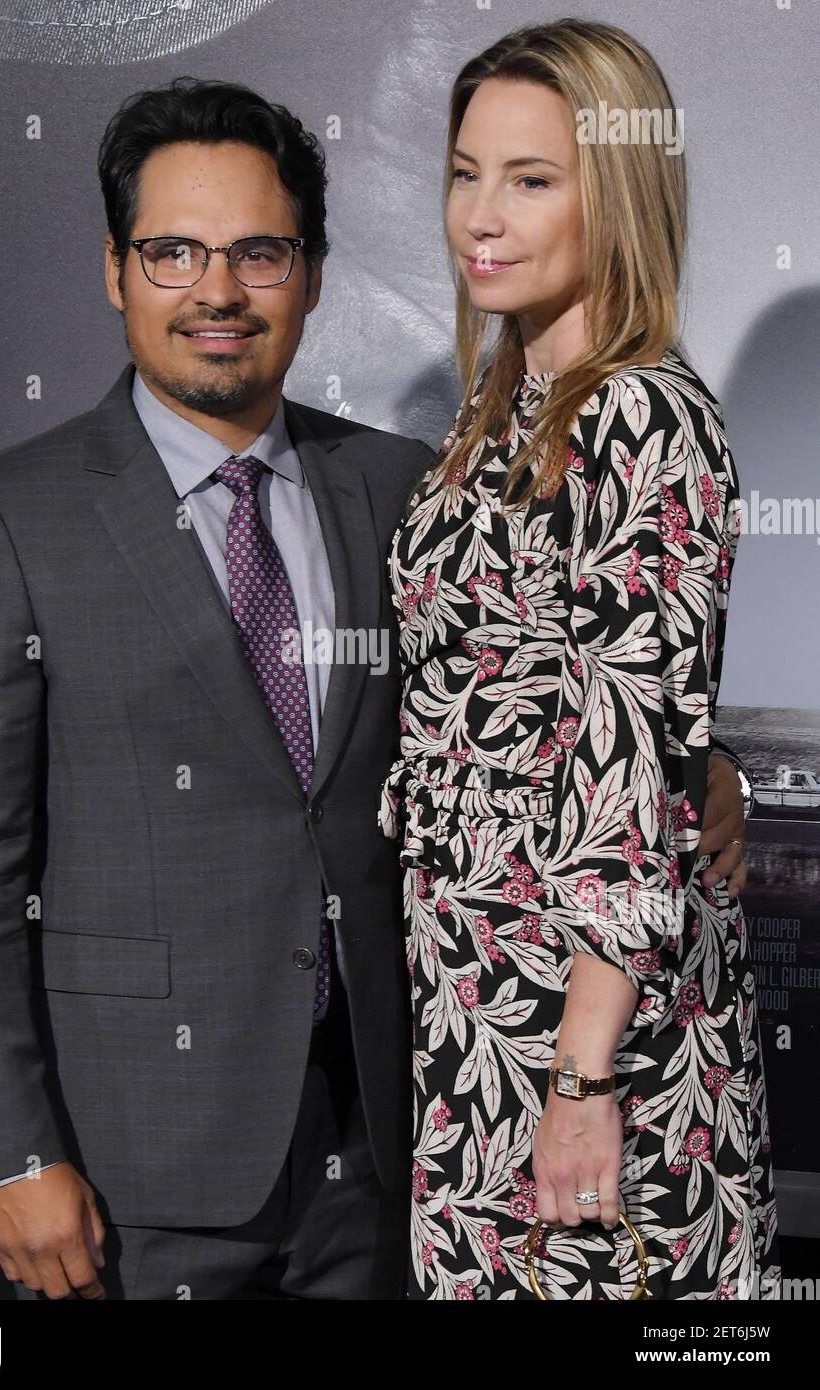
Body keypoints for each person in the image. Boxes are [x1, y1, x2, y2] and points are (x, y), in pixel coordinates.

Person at [0, 75, 749, 1303]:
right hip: (133, 1174)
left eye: (259, 251)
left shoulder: (405, 488)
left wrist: (691, 768)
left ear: (312, 270)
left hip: (400, 1143)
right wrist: (8, 1154)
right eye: (173, 252)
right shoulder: (8, 522)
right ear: (114, 270)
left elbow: (550, 681)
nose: (219, 292)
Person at [379, 19, 779, 1300]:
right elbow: (571, 690)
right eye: (463, 171)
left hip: (587, 1033)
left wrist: (581, 1081)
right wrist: (697, 756)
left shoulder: (641, 415)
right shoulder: (503, 406)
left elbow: (618, 779)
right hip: (483, 1010)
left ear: (617, 195)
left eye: (530, 178)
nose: (478, 216)